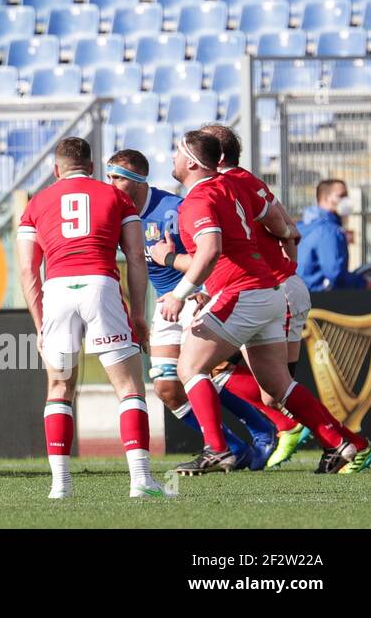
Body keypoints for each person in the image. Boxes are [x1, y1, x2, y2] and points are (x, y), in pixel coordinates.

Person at [155, 131, 369, 475]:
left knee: (189, 368)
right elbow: (284, 225)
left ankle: (217, 448)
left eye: (176, 153)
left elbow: (210, 250)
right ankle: (341, 442)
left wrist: (178, 292)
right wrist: (287, 258)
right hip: (271, 289)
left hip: (242, 291)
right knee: (276, 386)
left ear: (192, 161)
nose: (171, 160)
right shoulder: (237, 185)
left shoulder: (199, 199)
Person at [106, 148, 276, 472]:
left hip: (196, 296)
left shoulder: (174, 208)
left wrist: (199, 291)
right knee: (167, 388)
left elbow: (208, 254)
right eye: (109, 176)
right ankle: (233, 446)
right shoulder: (117, 214)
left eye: (118, 177)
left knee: (197, 371)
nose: (111, 183)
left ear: (138, 181)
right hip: (165, 302)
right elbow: (137, 267)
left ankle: (257, 428)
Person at [17, 137, 164, 499]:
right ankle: (140, 481)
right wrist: (138, 314)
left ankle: (60, 485)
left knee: (58, 387)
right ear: (93, 168)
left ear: (56, 169)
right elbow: (135, 256)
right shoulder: (116, 197)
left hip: (58, 291)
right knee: (128, 387)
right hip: (100, 284)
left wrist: (39, 325)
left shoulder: (36, 203)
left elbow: (26, 269)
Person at [298, 179, 371, 293]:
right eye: (342, 196)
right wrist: (363, 284)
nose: (346, 200)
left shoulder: (304, 225)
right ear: (326, 198)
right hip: (321, 300)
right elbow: (335, 274)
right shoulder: (329, 230)